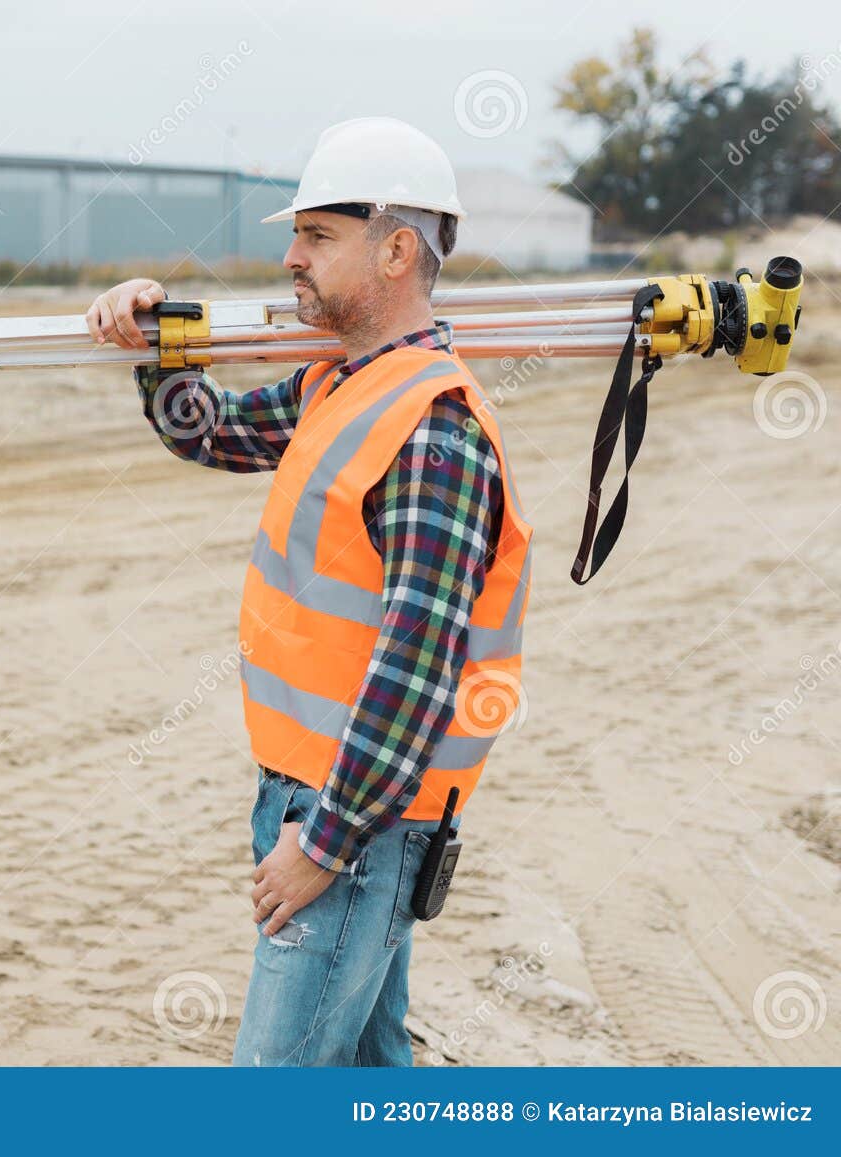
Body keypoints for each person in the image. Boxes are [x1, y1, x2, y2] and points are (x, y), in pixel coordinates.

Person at [87, 118, 532, 1066]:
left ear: (398, 248)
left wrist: (323, 843)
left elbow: (417, 667)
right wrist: (152, 334)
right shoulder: (340, 385)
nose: (290, 257)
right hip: (317, 800)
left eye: (318, 236)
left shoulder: (432, 434)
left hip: (357, 826)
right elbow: (207, 430)